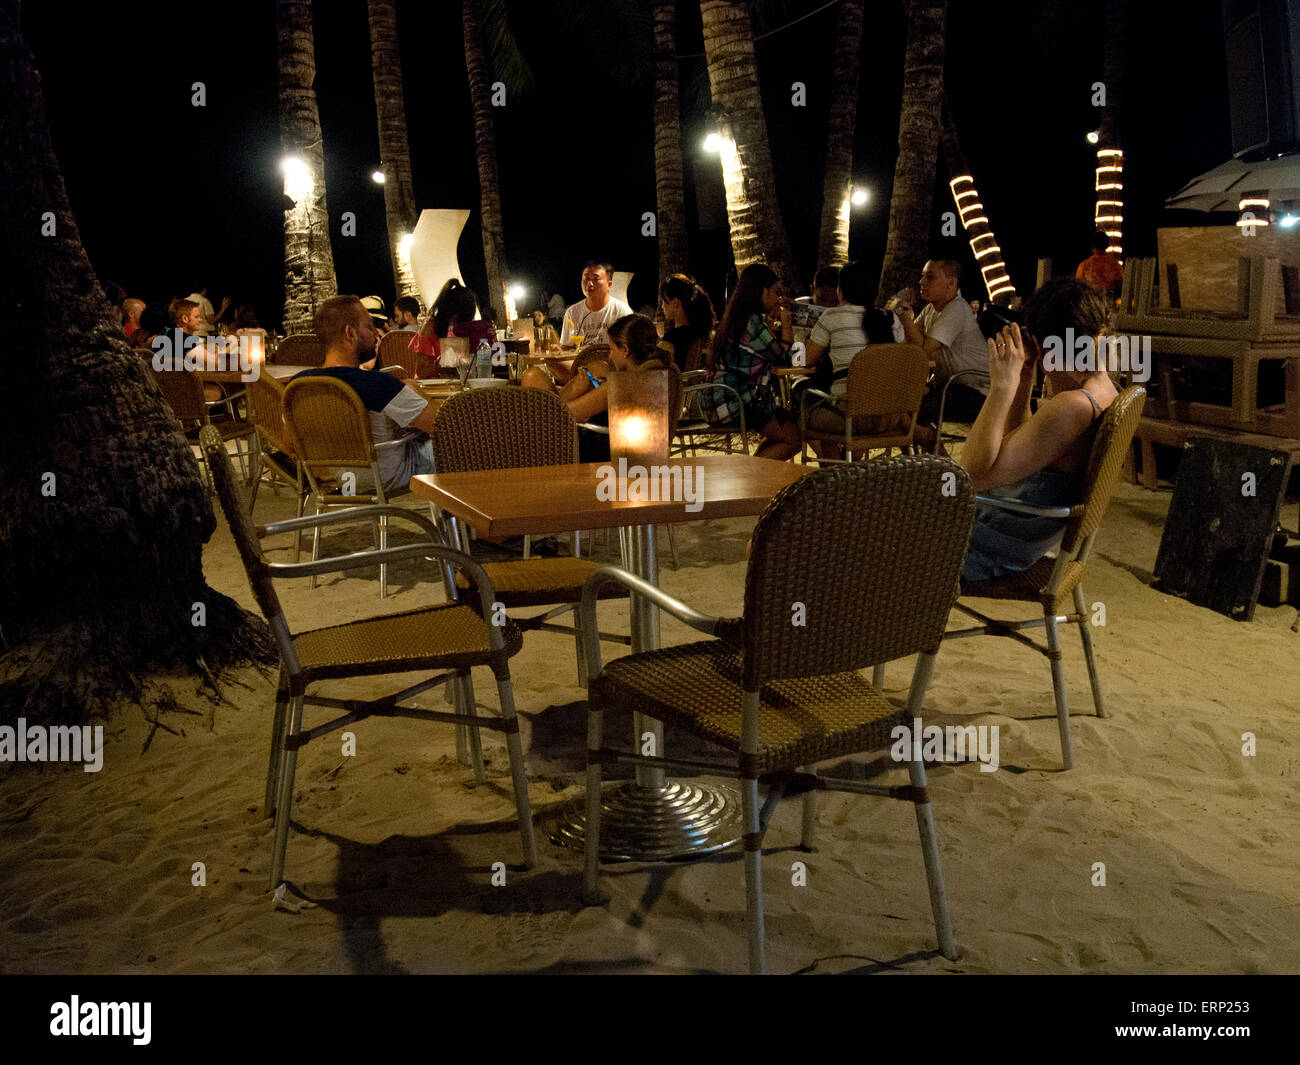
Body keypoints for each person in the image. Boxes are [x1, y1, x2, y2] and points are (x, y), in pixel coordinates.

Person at [960, 277, 1118, 580]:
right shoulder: (1104, 392)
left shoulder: (1074, 407)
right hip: (1015, 538)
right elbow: (1019, 452)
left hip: (985, 544)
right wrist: (1023, 382)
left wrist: (1001, 388)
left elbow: (972, 474)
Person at [290, 295, 437, 495]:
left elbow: (289, 444)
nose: (376, 335)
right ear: (350, 333)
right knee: (459, 447)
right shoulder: (377, 385)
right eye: (369, 327)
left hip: (333, 484)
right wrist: (413, 388)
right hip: (382, 480)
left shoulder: (298, 386)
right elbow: (440, 424)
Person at [522, 313, 667, 463]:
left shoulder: (620, 386)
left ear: (625, 350)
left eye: (612, 349)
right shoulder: (651, 375)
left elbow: (555, 416)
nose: (610, 356)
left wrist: (577, 393)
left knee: (532, 380)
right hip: (602, 437)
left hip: (589, 450)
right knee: (536, 375)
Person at [699, 263, 802, 461]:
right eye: (774, 291)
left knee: (789, 430)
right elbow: (788, 359)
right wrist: (788, 324)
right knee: (793, 439)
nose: (777, 298)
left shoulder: (739, 318)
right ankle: (750, 475)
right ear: (762, 291)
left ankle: (750, 472)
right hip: (733, 402)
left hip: (720, 400)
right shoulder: (752, 324)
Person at [800, 260, 906, 436]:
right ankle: (843, 463)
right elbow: (902, 357)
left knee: (804, 414)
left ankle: (834, 464)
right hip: (888, 416)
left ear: (840, 292)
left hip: (848, 416)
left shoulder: (831, 316)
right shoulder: (888, 318)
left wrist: (795, 338)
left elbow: (805, 361)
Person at [898, 259, 990, 449]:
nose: (921, 281)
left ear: (951, 283)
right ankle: (933, 457)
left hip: (975, 393)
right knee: (900, 406)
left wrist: (903, 316)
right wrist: (904, 315)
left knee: (903, 409)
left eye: (929, 277)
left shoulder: (957, 309)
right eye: (922, 276)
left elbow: (923, 349)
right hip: (951, 387)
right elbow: (910, 345)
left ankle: (930, 447)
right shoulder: (932, 309)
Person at [557, 261, 632, 351]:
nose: (590, 284)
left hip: (611, 363)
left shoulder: (622, 312)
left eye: (596, 279)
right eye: (586, 279)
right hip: (580, 363)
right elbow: (566, 347)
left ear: (609, 284)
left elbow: (628, 349)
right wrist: (558, 351)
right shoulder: (572, 312)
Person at [657, 273, 715, 370]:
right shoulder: (701, 334)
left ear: (675, 302)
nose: (662, 306)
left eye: (663, 301)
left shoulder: (671, 340)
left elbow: (659, 376)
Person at [1076, 230, 1124, 300]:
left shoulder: (1084, 266)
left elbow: (1078, 287)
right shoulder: (1115, 266)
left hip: (1091, 304)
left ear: (1093, 246)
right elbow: (1120, 286)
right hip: (1109, 304)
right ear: (1107, 245)